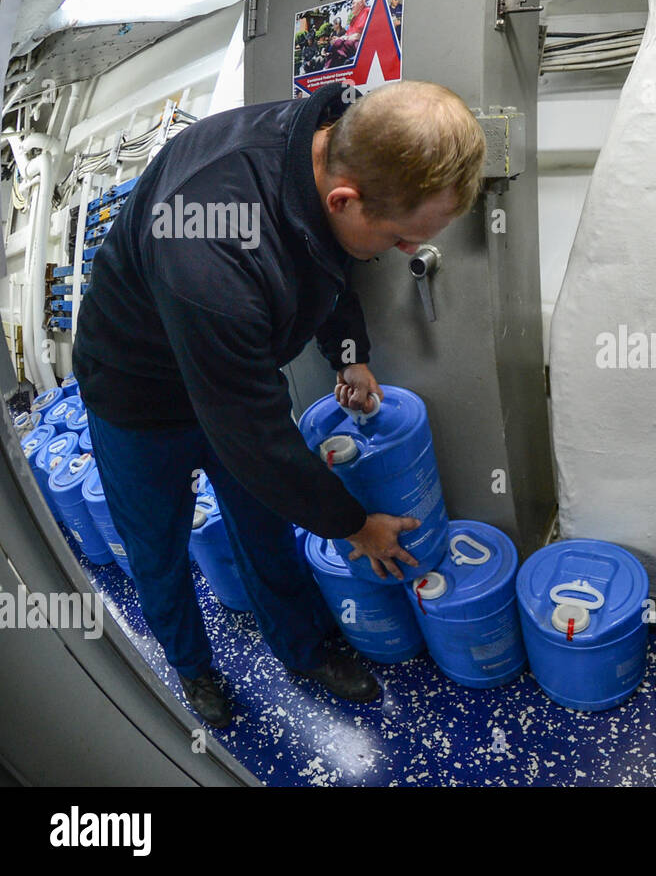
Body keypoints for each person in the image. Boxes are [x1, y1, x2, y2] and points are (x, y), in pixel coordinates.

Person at [72, 80, 486, 727]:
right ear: (345, 198)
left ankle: (303, 649)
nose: (404, 252)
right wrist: (355, 525)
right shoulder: (209, 250)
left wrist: (348, 352)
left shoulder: (329, 137)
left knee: (265, 527)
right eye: (401, 239)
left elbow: (330, 255)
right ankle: (193, 670)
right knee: (157, 547)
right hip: (138, 398)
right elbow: (256, 439)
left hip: (228, 373)